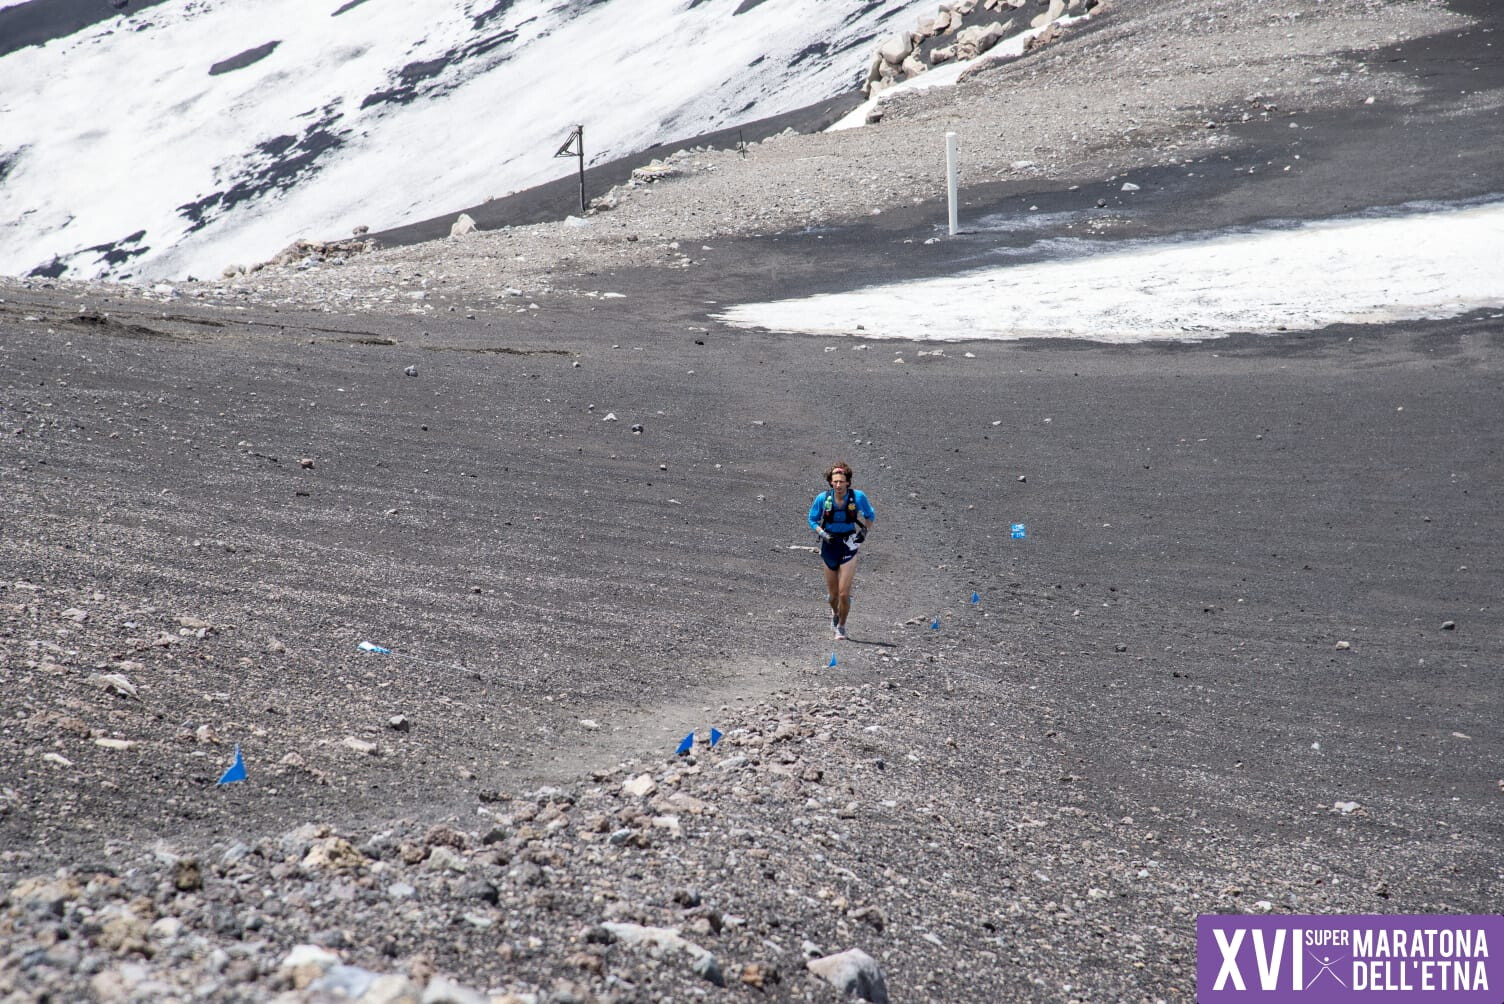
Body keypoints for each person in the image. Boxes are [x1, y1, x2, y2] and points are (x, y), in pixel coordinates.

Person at [808, 461, 875, 640]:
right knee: (833, 596)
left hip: (849, 544)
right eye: (835, 481)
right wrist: (822, 534)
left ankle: (842, 626)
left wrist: (864, 531)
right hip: (829, 545)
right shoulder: (823, 498)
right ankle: (834, 612)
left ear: (848, 482)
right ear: (831, 482)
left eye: (841, 481)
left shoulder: (858, 497)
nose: (838, 485)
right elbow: (812, 519)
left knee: (844, 593)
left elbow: (870, 515)